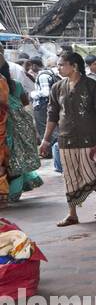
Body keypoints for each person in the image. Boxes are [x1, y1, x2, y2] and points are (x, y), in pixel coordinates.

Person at [38, 51, 96, 224]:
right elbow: (52, 115)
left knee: (94, 172)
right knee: (70, 176)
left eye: (61, 64)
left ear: (74, 66)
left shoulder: (93, 87)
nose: (58, 68)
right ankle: (72, 214)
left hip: (89, 138)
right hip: (66, 139)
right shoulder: (57, 88)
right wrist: (46, 140)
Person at [0, 60, 42, 203]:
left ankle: (8, 192)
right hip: (18, 127)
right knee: (15, 158)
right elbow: (26, 106)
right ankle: (13, 192)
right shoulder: (16, 84)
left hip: (7, 126)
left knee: (8, 159)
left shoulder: (10, 84)